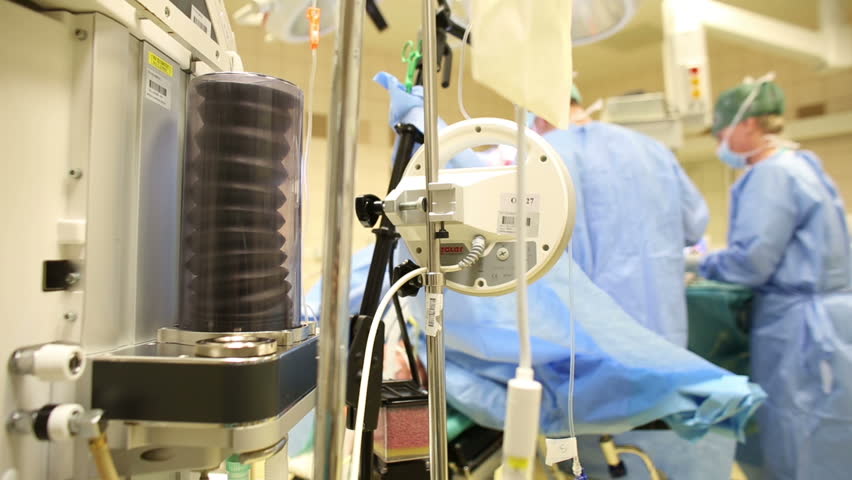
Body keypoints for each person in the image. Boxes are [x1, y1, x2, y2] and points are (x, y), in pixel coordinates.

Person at [696, 76, 852, 480]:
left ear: (748, 124)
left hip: (800, 329)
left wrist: (701, 265)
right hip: (827, 321)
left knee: (798, 427)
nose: (720, 141)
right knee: (826, 427)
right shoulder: (803, 163)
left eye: (722, 130)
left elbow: (752, 263)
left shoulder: (771, 175)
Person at [528, 86, 709, 347]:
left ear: (541, 119)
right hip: (662, 330)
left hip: (590, 334)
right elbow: (694, 226)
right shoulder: (653, 150)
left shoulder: (546, 157)